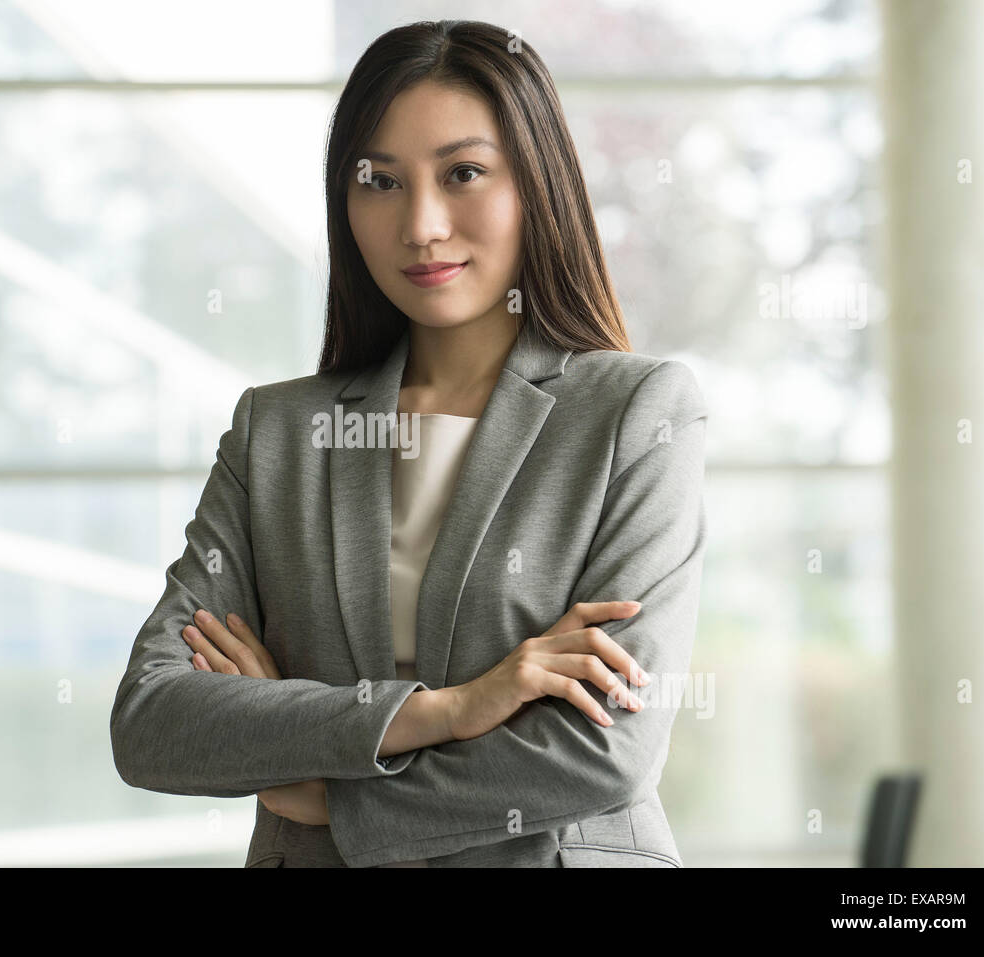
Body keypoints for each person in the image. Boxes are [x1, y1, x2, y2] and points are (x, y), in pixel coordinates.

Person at [110, 19, 707, 868]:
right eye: (380, 182)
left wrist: (321, 787)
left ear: (536, 183)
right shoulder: (275, 433)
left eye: (463, 172)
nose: (422, 225)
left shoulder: (637, 413)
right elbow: (153, 721)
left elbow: (604, 748)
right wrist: (442, 710)